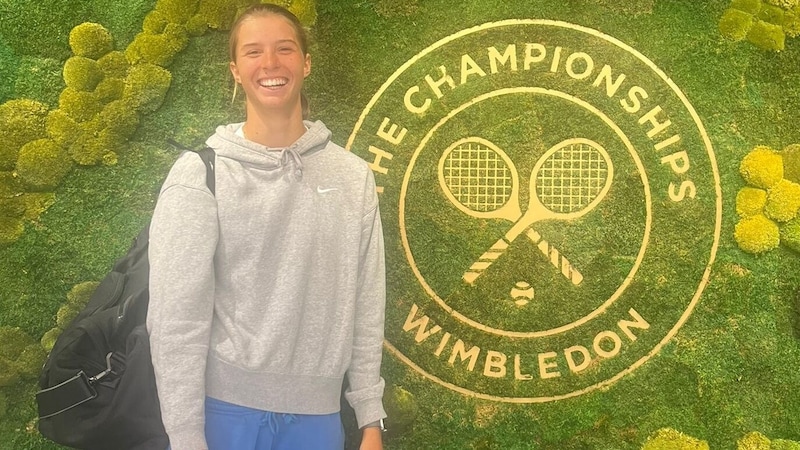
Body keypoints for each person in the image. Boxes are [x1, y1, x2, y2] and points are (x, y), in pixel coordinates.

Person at [146, 4, 387, 450]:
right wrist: (185, 436)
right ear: (236, 70)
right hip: (224, 416)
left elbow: (366, 303)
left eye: (284, 49)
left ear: (306, 62)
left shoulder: (353, 177)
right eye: (254, 52)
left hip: (319, 420)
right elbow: (175, 320)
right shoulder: (200, 174)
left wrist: (370, 416)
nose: (271, 64)